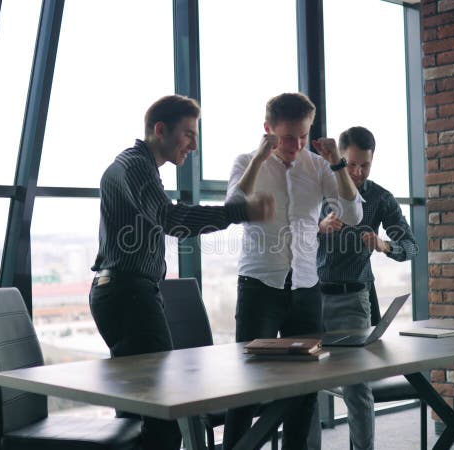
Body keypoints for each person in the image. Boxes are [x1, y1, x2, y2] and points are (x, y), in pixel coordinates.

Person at [89, 94, 275, 450]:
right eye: (189, 134)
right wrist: (239, 212)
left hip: (127, 292)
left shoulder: (137, 167)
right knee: (162, 417)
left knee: (140, 410)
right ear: (161, 130)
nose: (194, 145)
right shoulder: (135, 166)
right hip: (128, 295)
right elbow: (171, 219)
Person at [223, 92, 363, 450]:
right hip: (259, 287)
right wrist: (259, 158)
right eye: (288, 138)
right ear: (268, 129)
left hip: (305, 289)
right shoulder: (246, 162)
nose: (297, 145)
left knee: (304, 388)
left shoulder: (318, 166)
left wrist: (337, 163)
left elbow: (352, 215)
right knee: (247, 385)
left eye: (303, 136)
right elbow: (233, 207)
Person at [315, 126, 418, 450]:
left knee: (357, 387)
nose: (358, 172)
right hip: (310, 298)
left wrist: (385, 245)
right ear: (339, 159)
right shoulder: (319, 190)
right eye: (352, 164)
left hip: (354, 299)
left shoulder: (379, 197)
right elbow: (291, 233)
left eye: (365, 165)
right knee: (302, 387)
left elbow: (411, 246)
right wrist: (319, 227)